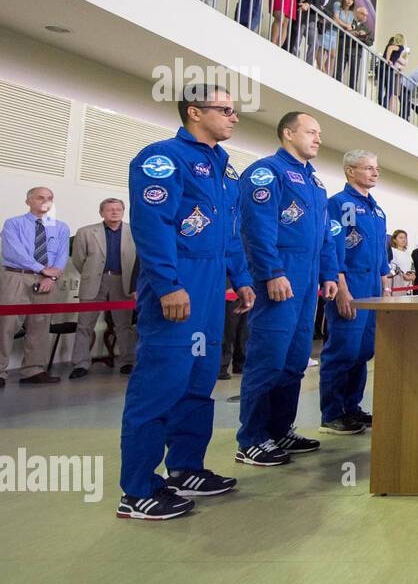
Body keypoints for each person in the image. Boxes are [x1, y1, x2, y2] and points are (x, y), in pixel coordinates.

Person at [117, 84, 254, 519]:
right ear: (195, 111)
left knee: (199, 383)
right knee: (160, 387)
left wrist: (243, 278)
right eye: (226, 109)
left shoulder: (224, 169)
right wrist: (168, 283)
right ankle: (137, 491)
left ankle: (186, 467)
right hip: (179, 287)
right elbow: (153, 225)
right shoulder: (162, 158)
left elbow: (229, 232)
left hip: (213, 290)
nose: (234, 117)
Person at [235, 112, 339, 466]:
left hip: (308, 280)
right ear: (287, 133)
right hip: (280, 276)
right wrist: (271, 272)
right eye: (311, 132)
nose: (318, 138)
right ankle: (251, 439)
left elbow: (324, 235)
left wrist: (328, 273)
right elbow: (256, 228)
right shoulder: (266, 173)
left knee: (295, 360)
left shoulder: (316, 183)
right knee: (269, 357)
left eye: (319, 133)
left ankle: (280, 430)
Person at [319, 150, 390, 435]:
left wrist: (386, 290)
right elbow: (332, 248)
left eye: (376, 168)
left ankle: (352, 407)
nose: (375, 173)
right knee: (342, 351)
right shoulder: (337, 204)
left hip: (373, 287)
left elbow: (382, 256)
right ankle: (332, 413)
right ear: (350, 171)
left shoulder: (377, 209)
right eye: (369, 168)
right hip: (350, 285)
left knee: (363, 351)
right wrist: (342, 290)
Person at [0, 186, 70, 387]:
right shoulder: (13, 224)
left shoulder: (61, 227)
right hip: (17, 277)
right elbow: (14, 252)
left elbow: (61, 256)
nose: (45, 201)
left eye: (49, 198)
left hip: (46, 281)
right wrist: (41, 269)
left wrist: (51, 278)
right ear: (28, 201)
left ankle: (33, 370)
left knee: (40, 326)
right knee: (6, 326)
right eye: (40, 197)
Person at [69, 197, 136, 378]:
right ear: (101, 212)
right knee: (85, 325)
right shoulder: (85, 232)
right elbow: (78, 260)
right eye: (109, 209)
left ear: (123, 211)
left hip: (123, 282)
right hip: (94, 282)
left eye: (118, 209)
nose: (114, 212)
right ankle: (80, 364)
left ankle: (127, 362)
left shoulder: (134, 231)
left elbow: (138, 261)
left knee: (124, 325)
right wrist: (92, 274)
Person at [381, 34, 409, 114]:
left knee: (393, 93)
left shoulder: (396, 50)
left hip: (395, 73)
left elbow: (402, 63)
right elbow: (404, 62)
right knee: (391, 92)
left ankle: (391, 109)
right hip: (393, 72)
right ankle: (389, 109)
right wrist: (407, 56)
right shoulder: (398, 50)